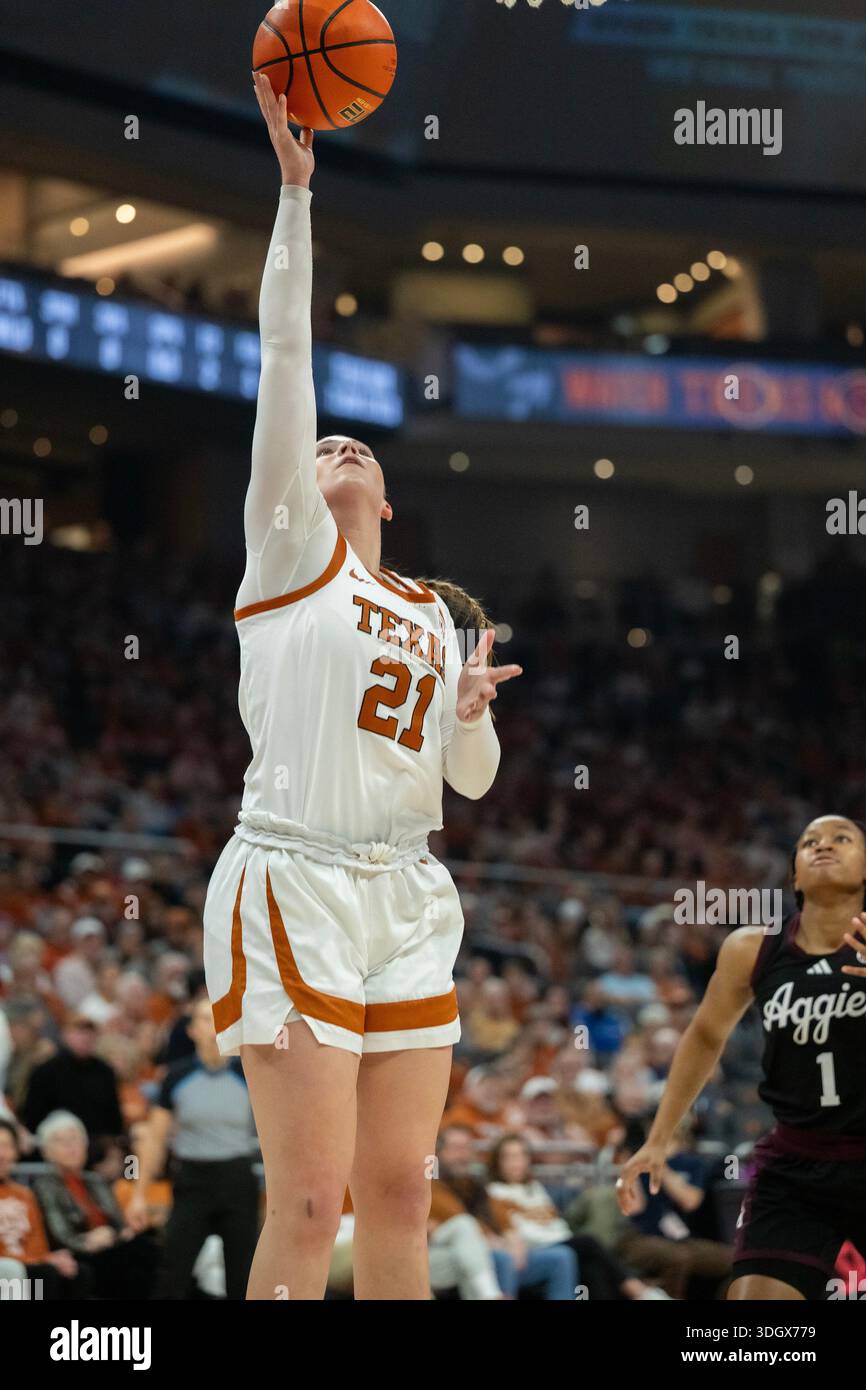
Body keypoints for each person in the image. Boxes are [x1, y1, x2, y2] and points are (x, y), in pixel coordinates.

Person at [201, 74, 521, 1302]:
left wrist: (467, 715)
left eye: (359, 451)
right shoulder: (288, 553)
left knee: (400, 1194)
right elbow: (287, 356)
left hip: (406, 893)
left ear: (388, 502)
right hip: (293, 876)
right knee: (310, 1196)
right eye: (326, 443)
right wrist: (294, 196)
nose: (336, 448)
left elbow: (469, 784)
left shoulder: (441, 619)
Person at [617, 815, 866, 1301]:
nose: (824, 846)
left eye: (842, 839)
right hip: (796, 1166)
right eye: (809, 841)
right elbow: (706, 1036)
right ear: (794, 875)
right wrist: (659, 1138)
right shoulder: (753, 949)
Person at [126, 997, 259, 1299]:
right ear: (191, 1030)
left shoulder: (249, 1075)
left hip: (237, 1177)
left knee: (243, 1274)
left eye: (218, 1019)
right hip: (192, 1179)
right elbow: (154, 1140)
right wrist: (138, 1194)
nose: (212, 1027)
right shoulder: (176, 1077)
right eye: (204, 1019)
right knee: (173, 1270)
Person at [32, 1111, 158, 1299]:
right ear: (46, 1151)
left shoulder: (96, 1180)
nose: (70, 1146)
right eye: (60, 1141)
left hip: (111, 1247)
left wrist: (112, 1236)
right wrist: (88, 1241)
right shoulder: (44, 1185)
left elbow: (119, 1223)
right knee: (139, 1254)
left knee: (147, 1247)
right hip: (80, 1252)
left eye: (75, 1139)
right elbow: (59, 1233)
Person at [20, 1013, 123, 1154]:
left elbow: (114, 1120)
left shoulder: (105, 1072)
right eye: (79, 1031)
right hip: (55, 1147)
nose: (85, 1037)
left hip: (98, 1147)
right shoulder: (45, 1072)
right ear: (65, 1034)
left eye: (90, 1032)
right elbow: (32, 1118)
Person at [0, 1118, 79, 1299]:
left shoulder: (25, 1194)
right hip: (10, 1266)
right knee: (43, 1275)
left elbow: (38, 1243)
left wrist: (46, 1259)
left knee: (76, 1272)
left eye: (7, 1146)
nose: (2, 1154)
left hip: (28, 1263)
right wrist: (39, 1261)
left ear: (16, 1152)